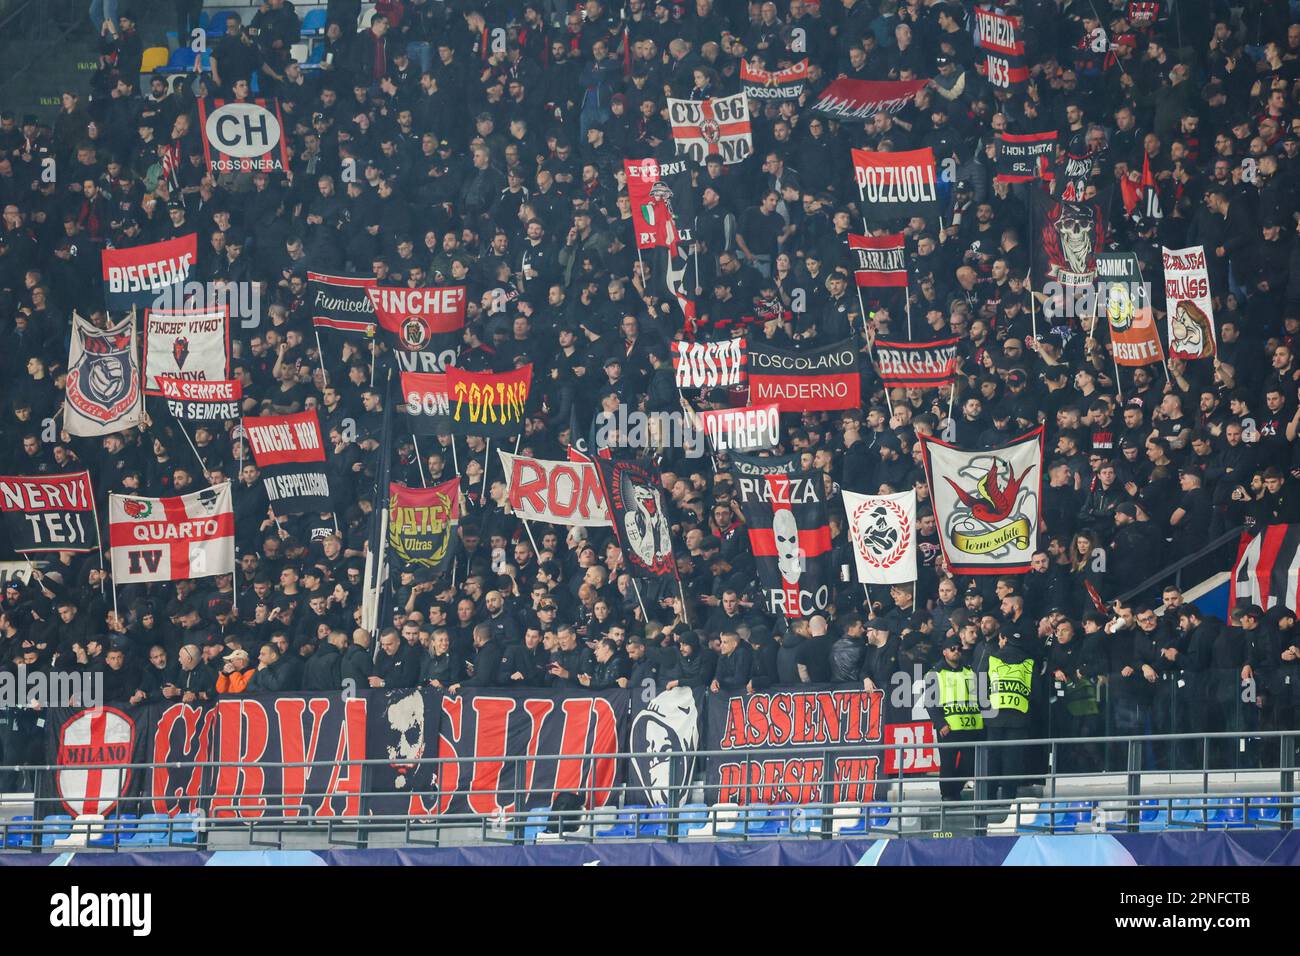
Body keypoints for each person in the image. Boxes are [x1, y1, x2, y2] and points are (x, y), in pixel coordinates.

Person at [925, 636, 982, 801]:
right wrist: (941, 723)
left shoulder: (969, 671)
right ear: (944, 652)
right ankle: (948, 796)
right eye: (952, 649)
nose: (957, 651)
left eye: (958, 648)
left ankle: (954, 791)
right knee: (948, 764)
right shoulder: (935, 673)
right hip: (948, 727)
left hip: (970, 726)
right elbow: (930, 703)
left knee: (969, 764)